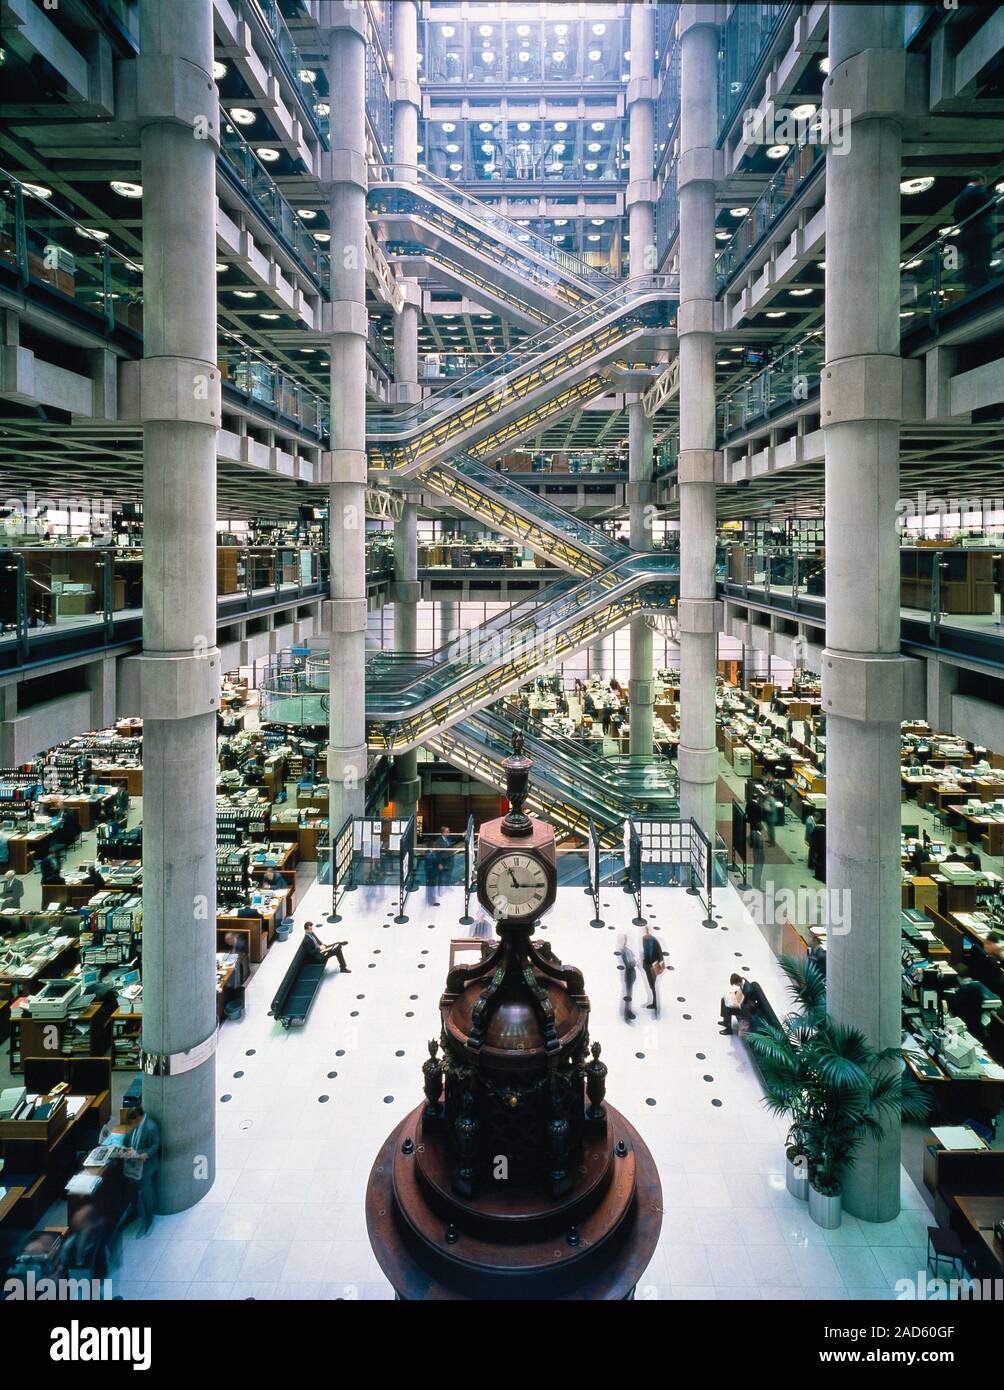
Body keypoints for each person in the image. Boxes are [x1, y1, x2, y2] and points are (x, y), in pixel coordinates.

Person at [953, 175, 995, 292]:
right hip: (981, 232)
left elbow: (957, 219)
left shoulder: (960, 198)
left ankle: (974, 289)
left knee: (972, 263)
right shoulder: (978, 191)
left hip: (967, 236)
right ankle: (984, 289)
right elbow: (991, 205)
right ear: (980, 180)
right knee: (983, 260)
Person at [951, 962, 985, 1037]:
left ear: (957, 977)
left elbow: (955, 1008)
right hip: (977, 1025)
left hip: (965, 1027)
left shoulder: (963, 990)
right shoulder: (978, 986)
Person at [640, 925, 665, 1013]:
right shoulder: (644, 939)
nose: (645, 932)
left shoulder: (653, 940)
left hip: (653, 966)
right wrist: (643, 961)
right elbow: (645, 952)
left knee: (653, 985)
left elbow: (659, 953)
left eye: (646, 931)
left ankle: (656, 1005)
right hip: (647, 965)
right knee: (651, 985)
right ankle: (654, 1003)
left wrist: (657, 964)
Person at [617, 933, 637, 1022]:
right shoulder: (624, 951)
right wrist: (634, 962)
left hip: (631, 974)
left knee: (629, 993)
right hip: (629, 974)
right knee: (628, 994)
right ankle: (627, 1012)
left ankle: (628, 1010)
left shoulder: (626, 950)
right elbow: (629, 964)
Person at [750, 823, 765, 891]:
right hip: (759, 855)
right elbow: (759, 846)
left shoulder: (753, 833)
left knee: (755, 868)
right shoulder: (758, 837)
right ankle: (757, 884)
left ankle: (754, 882)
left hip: (755, 853)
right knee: (759, 869)